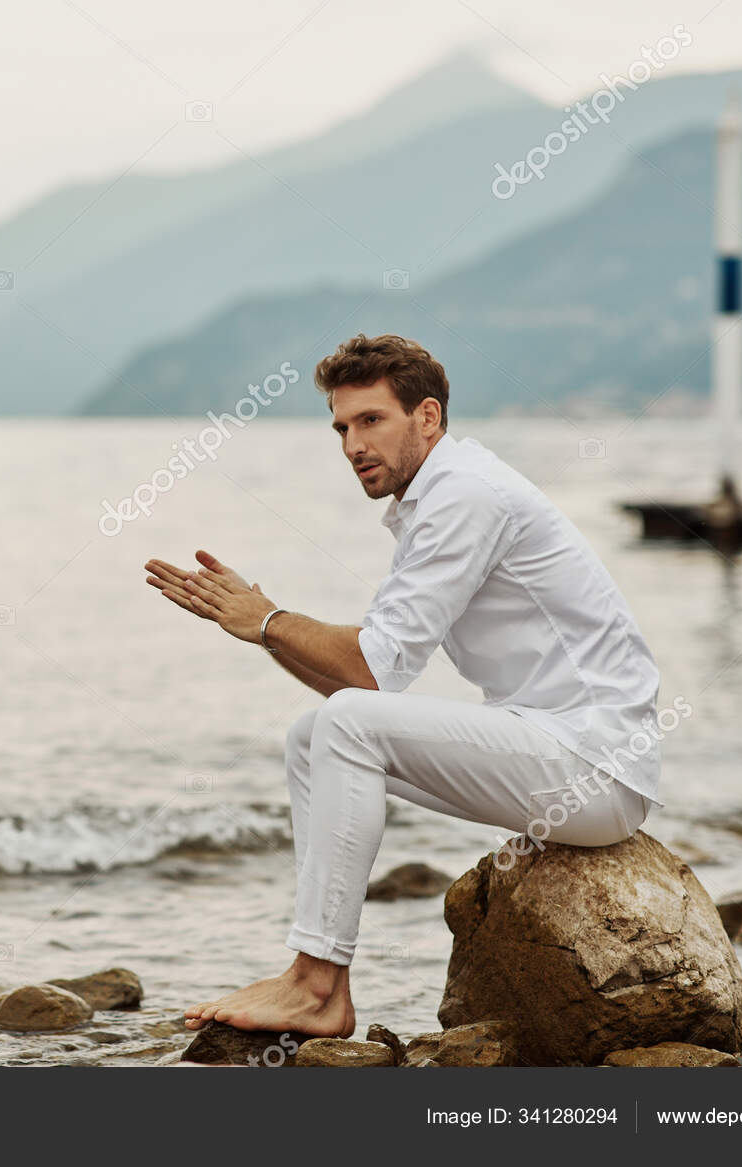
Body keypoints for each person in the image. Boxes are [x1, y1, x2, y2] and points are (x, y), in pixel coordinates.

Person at [143, 333, 663, 1036]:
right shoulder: (438, 496)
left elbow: (369, 672)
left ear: (428, 418)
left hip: (595, 763)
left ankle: (315, 981)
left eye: (371, 420)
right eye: (342, 427)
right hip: (564, 753)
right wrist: (257, 628)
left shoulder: (465, 494)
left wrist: (267, 619)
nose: (353, 443)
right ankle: (322, 985)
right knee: (313, 735)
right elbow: (357, 686)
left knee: (348, 721)